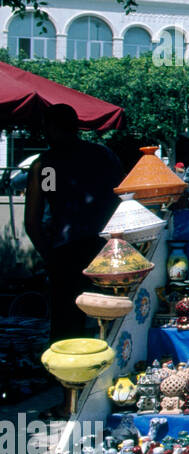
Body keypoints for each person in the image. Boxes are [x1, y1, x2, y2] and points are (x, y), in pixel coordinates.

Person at [23, 104, 124, 339]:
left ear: (51, 128)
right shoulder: (103, 156)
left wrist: (47, 253)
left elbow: (36, 215)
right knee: (110, 320)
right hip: (106, 250)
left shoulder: (47, 165)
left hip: (65, 252)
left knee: (66, 325)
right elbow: (121, 197)